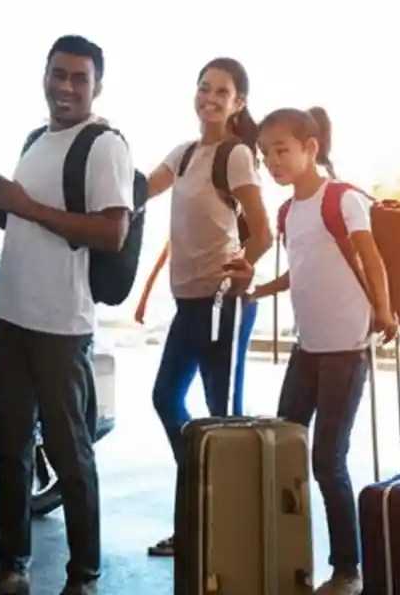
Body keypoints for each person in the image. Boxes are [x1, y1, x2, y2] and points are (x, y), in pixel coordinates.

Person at [0, 35, 134, 595]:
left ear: (96, 85)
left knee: (69, 452)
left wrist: (25, 206)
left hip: (61, 324)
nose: (66, 87)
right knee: (12, 448)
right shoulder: (36, 141)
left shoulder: (104, 145)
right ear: (44, 77)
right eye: (58, 74)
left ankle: (84, 575)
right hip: (11, 315)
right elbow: (26, 217)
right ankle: (14, 565)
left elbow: (111, 230)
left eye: (79, 77)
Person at [225, 106, 398, 595]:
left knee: (328, 459)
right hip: (309, 350)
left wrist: (383, 314)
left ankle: (348, 571)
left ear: (310, 148)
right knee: (285, 450)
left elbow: (372, 261)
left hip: (346, 350)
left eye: (282, 150)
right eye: (266, 154)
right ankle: (288, 554)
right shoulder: (287, 212)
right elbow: (300, 272)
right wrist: (259, 290)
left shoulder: (342, 200)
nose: (273, 162)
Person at [141, 57, 273, 558]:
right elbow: (137, 190)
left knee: (224, 418)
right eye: (204, 88)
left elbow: (263, 230)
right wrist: (101, 149)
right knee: (165, 399)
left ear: (238, 102)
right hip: (188, 305)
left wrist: (244, 265)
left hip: (223, 305)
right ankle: (201, 512)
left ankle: (231, 535)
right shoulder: (184, 154)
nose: (210, 98)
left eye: (222, 91)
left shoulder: (236, 156)